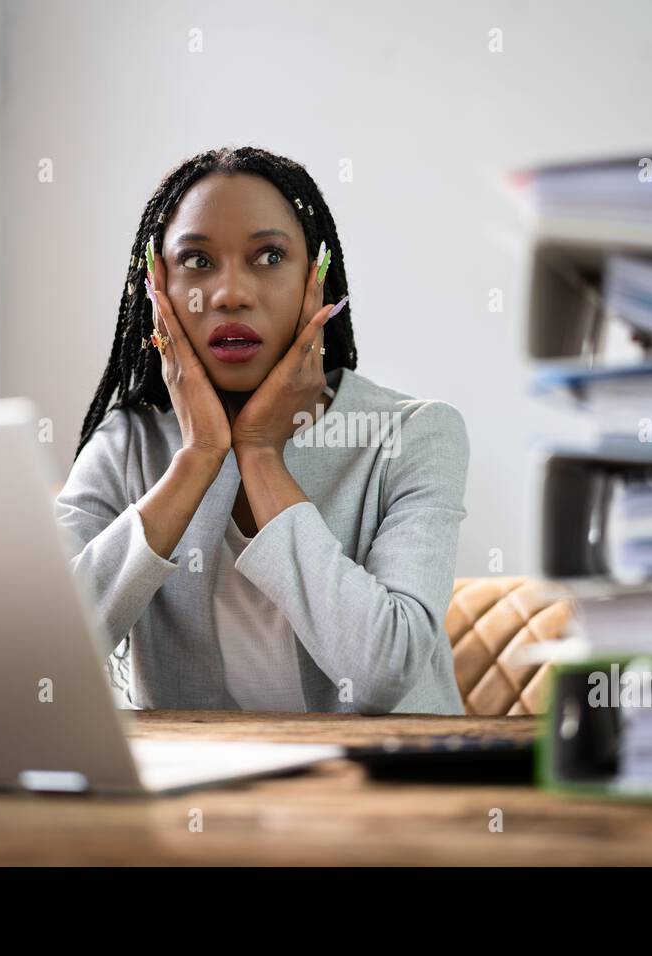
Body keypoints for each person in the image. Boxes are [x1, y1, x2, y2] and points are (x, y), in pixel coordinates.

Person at [55, 146, 469, 715]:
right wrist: (199, 456)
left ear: (315, 280)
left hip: (379, 794)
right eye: (197, 261)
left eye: (269, 256)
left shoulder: (413, 435)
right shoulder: (128, 442)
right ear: (157, 288)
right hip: (201, 793)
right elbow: (43, 657)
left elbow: (382, 672)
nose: (230, 294)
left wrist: (259, 453)